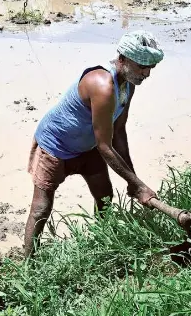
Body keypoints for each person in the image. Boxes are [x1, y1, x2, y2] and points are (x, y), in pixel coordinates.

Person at [23, 30, 163, 257]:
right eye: (141, 66)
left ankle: (100, 245)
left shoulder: (128, 84)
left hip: (88, 146)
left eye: (150, 68)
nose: (146, 73)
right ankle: (27, 263)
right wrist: (138, 184)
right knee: (41, 207)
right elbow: (105, 146)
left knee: (105, 197)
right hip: (55, 144)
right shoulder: (102, 85)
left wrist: (134, 181)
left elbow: (118, 133)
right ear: (122, 59)